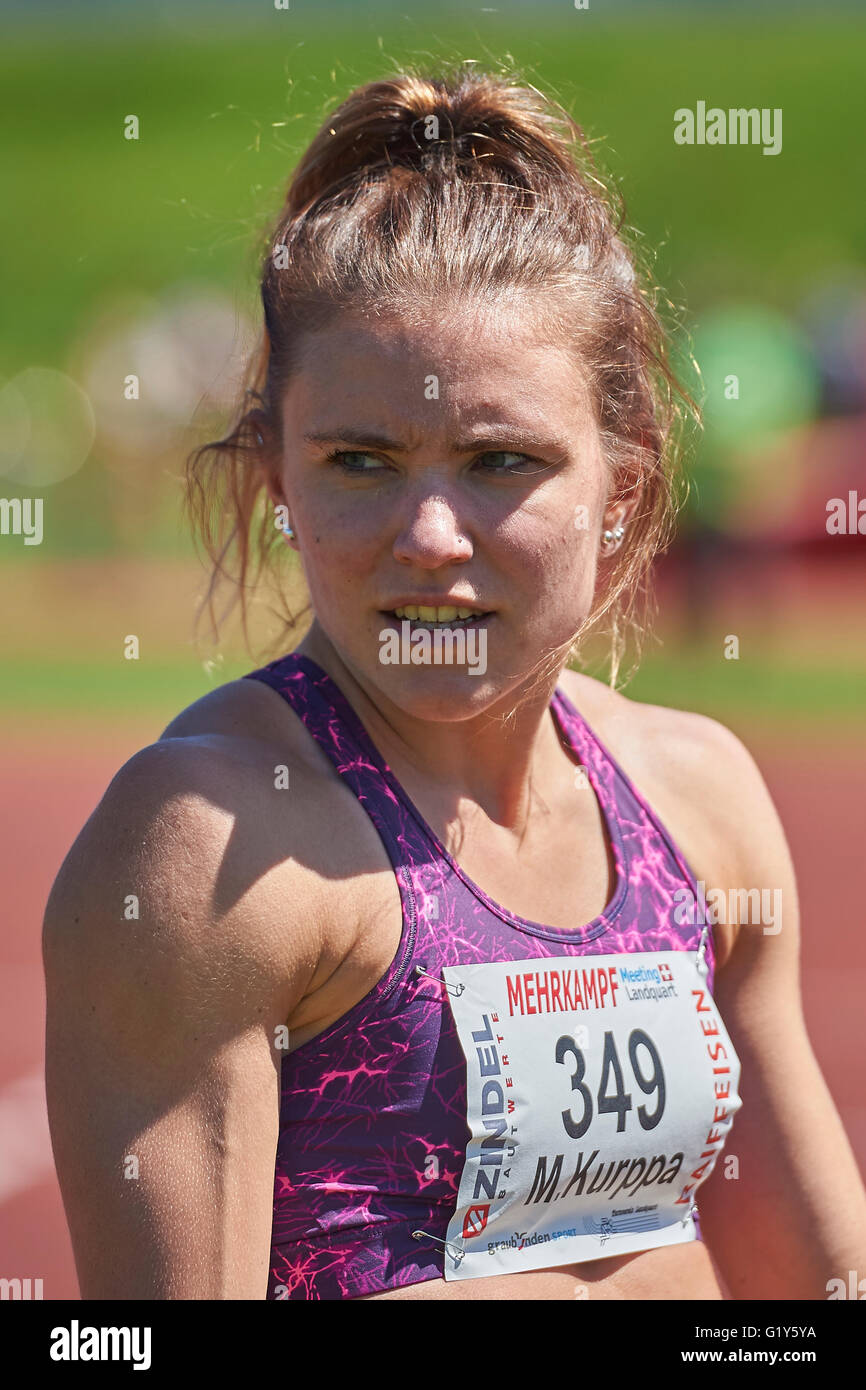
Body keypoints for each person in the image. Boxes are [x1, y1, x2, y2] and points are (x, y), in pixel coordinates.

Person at [43, 66, 866, 1302]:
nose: (429, 534)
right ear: (277, 477)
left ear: (623, 488)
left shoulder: (697, 806)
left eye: (500, 460)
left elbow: (813, 1290)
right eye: (361, 461)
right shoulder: (211, 851)